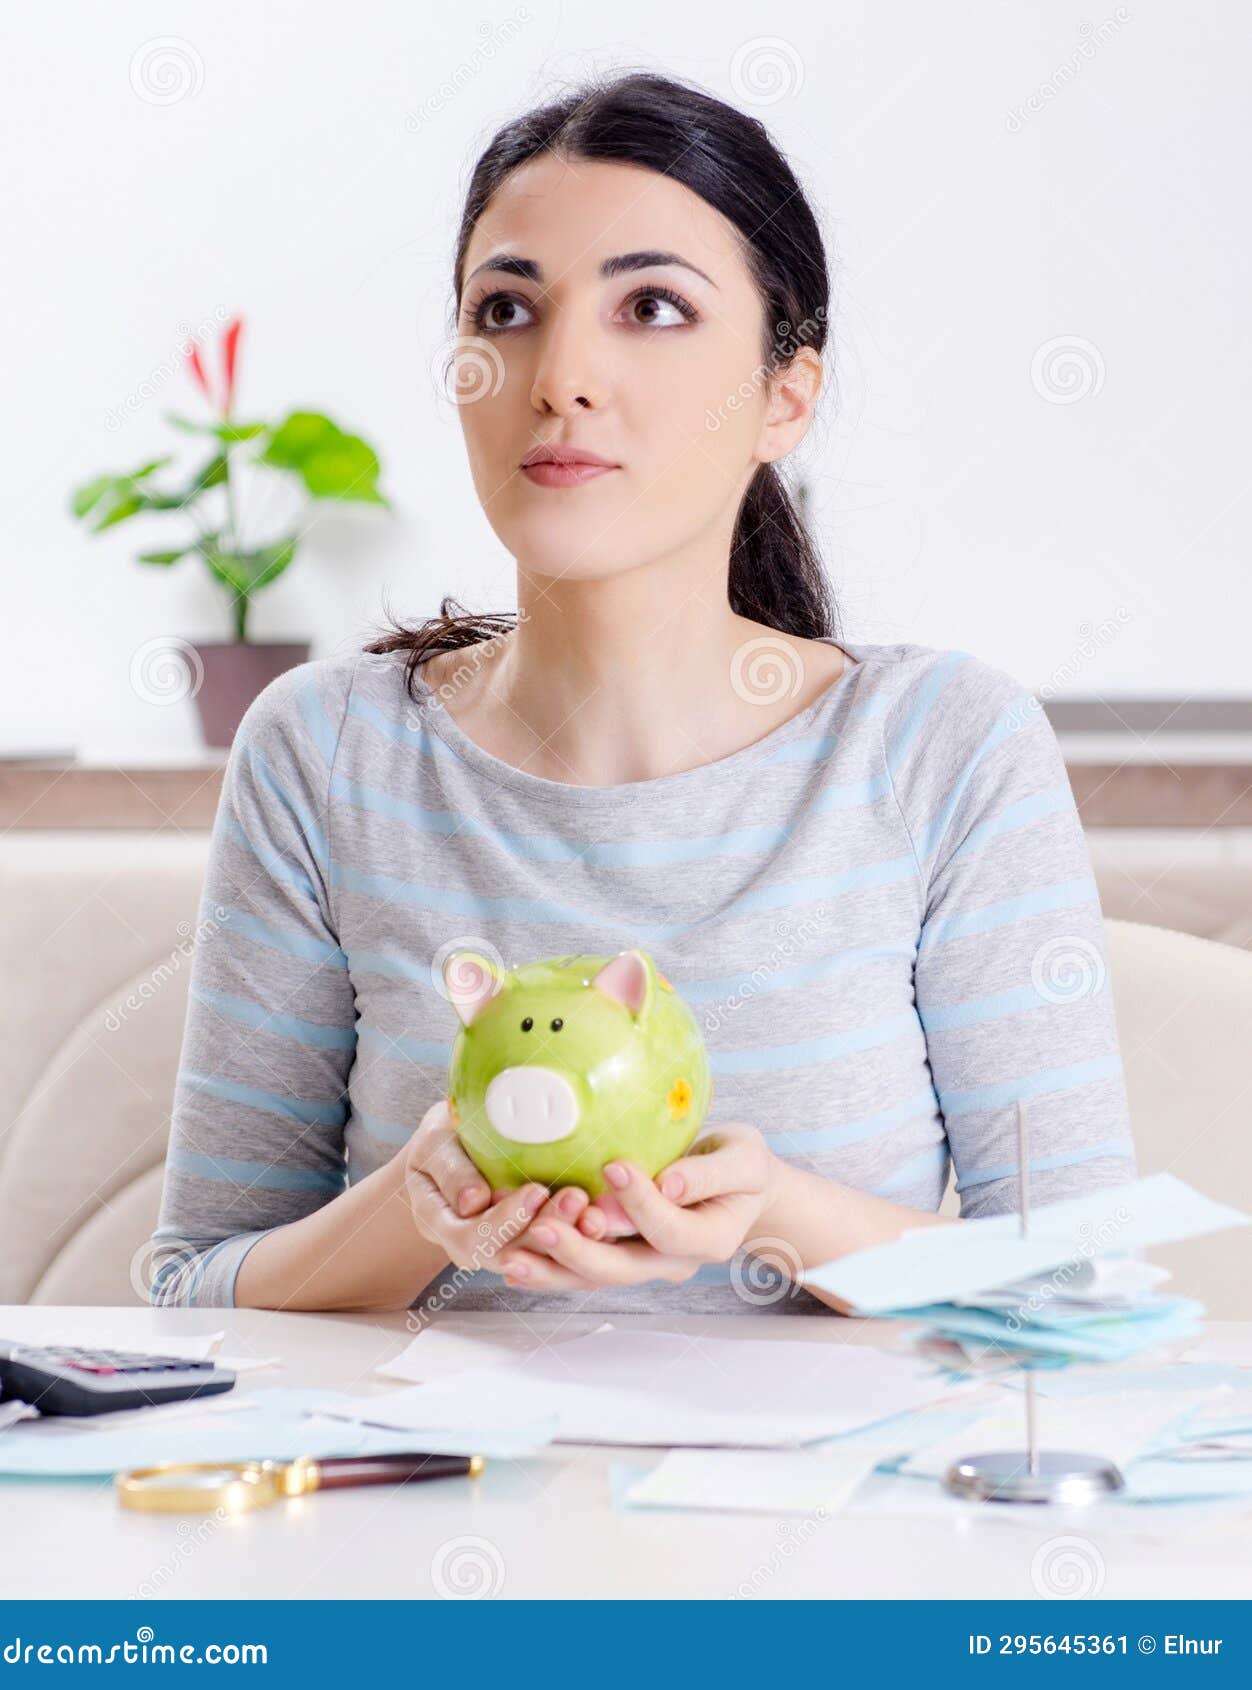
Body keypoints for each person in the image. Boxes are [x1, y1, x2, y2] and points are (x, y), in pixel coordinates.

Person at [150, 71, 1136, 1316]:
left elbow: (1087, 1293)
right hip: (418, 1502)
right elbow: (191, 1296)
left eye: (653, 306)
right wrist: (418, 1209)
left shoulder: (944, 748)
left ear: (784, 394)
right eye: (505, 309)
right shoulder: (324, 752)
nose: (560, 374)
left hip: (827, 1510)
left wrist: (776, 1211)